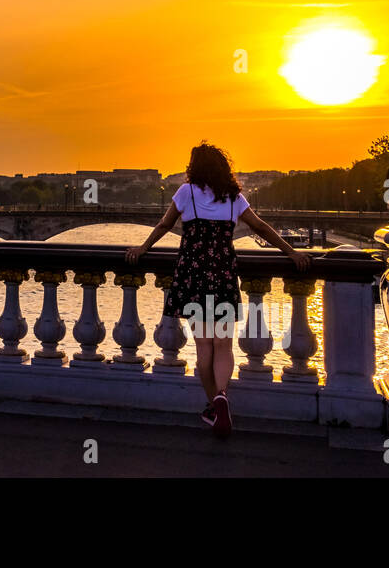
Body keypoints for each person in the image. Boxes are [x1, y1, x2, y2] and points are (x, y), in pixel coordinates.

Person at [124, 143, 309, 436]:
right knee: (222, 344)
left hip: (193, 274)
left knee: (203, 346)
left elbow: (164, 224)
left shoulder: (186, 193)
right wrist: (292, 252)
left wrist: (142, 247)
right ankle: (222, 396)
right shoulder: (234, 198)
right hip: (222, 273)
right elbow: (261, 228)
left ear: (194, 167)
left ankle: (215, 405)